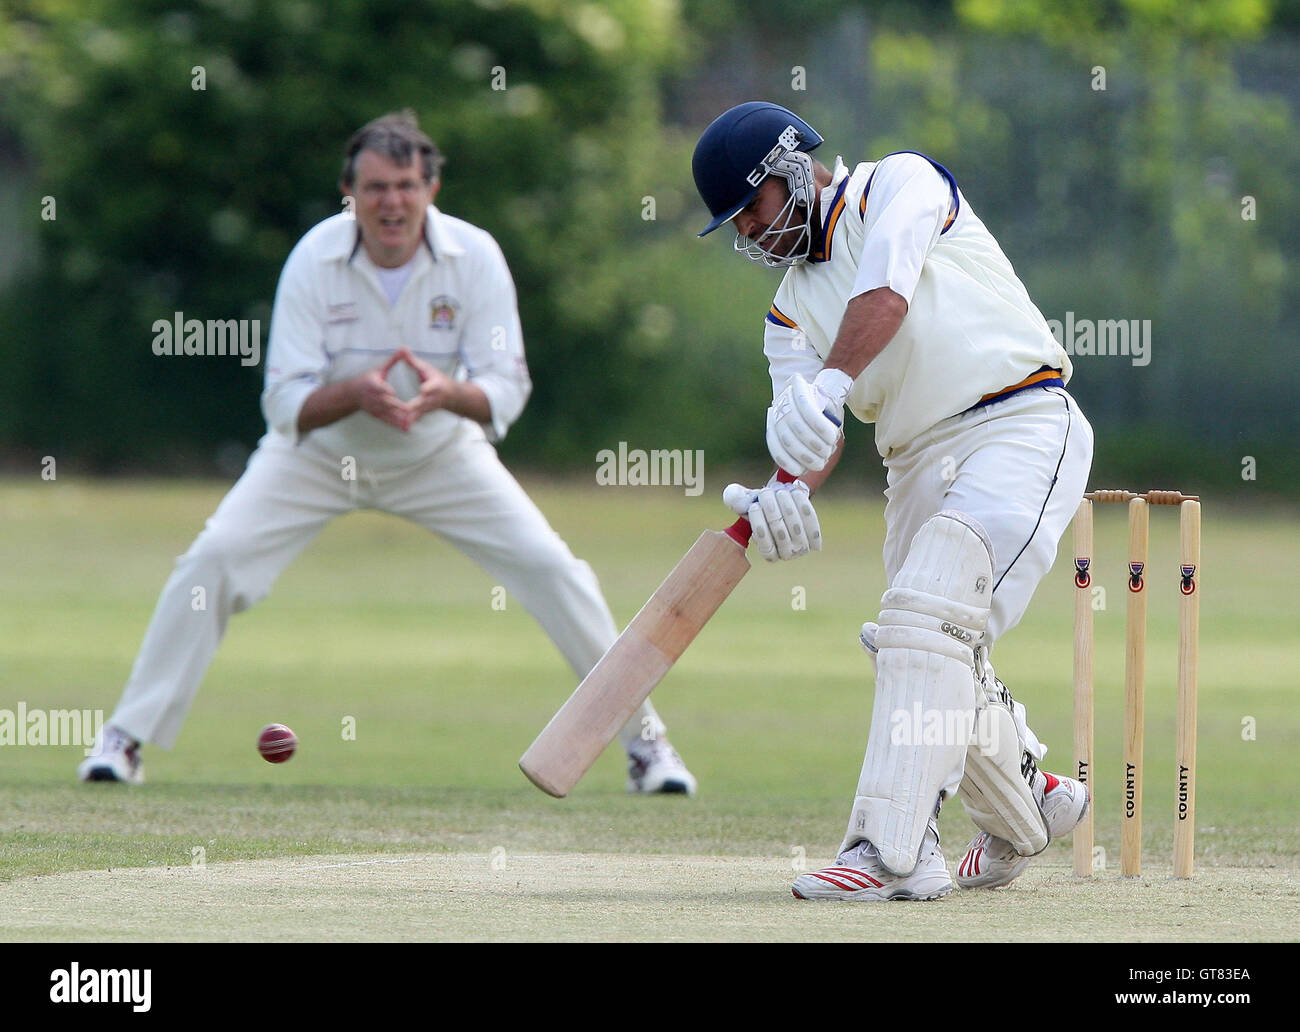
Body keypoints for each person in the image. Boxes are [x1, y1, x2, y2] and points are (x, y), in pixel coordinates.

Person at [79, 111, 696, 796]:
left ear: (431, 187)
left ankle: (648, 746)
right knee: (212, 561)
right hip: (315, 455)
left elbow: (506, 390)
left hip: (439, 454)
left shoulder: (475, 256)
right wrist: (356, 394)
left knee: (555, 570)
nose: (390, 202)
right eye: (374, 188)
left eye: (405, 185)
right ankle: (124, 740)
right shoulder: (315, 257)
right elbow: (283, 405)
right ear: (349, 192)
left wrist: (445, 393)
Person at [694, 101, 1091, 899]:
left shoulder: (900, 184)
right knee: (923, 644)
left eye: (751, 210)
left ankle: (889, 852)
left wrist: (831, 386)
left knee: (926, 616)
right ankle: (1031, 807)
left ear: (793, 167)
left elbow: (885, 292)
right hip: (913, 461)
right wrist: (785, 492)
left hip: (1016, 418)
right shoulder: (786, 317)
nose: (748, 236)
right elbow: (812, 435)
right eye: (734, 226)